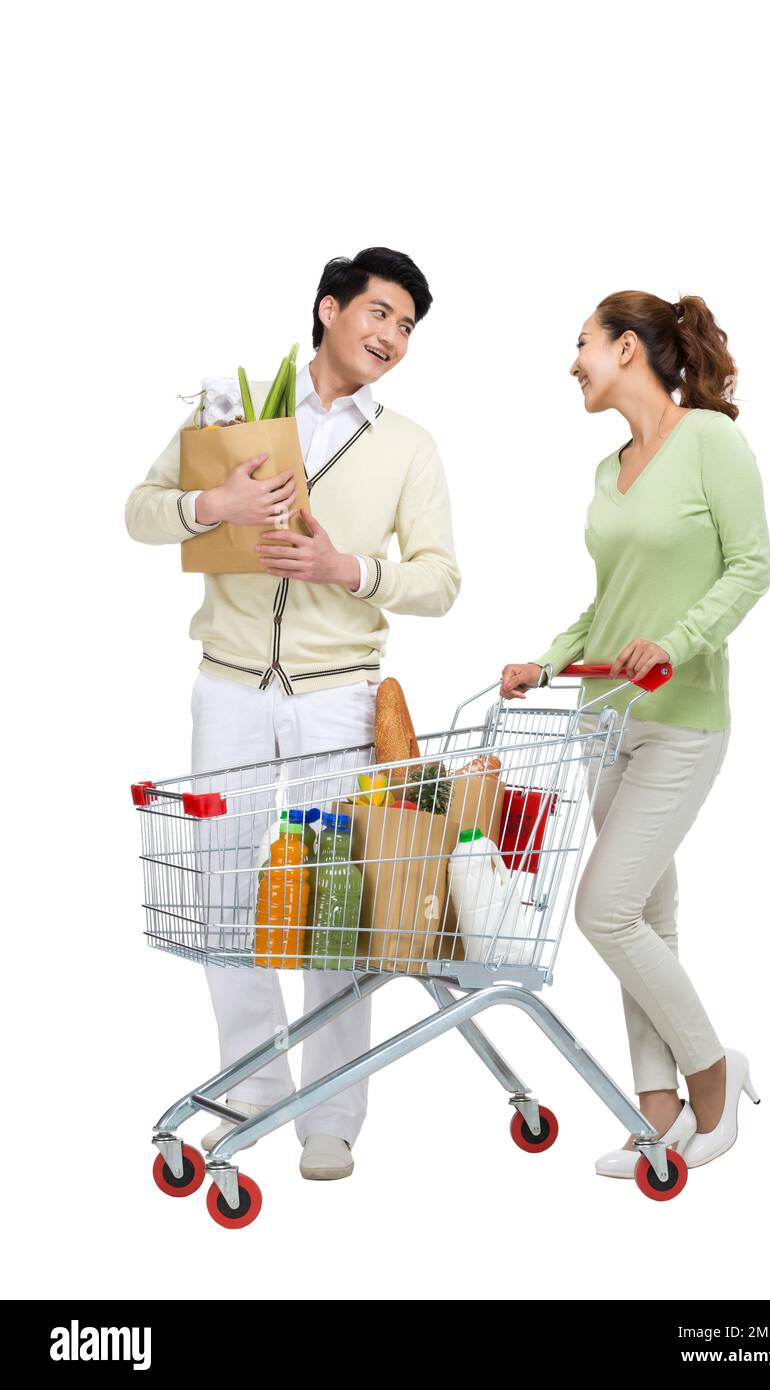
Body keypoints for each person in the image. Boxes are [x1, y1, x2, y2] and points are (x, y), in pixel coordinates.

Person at [126, 247, 460, 1180]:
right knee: (223, 891)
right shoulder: (236, 409)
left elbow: (441, 579)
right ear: (329, 310)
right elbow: (140, 511)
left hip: (337, 695)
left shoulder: (409, 446)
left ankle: (330, 1111)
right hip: (228, 683)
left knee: (334, 907)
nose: (392, 336)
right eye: (381, 313)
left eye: (406, 327)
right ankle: (256, 1082)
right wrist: (210, 502)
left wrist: (346, 569)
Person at [499, 291, 770, 1177]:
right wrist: (548, 660)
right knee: (647, 915)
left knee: (603, 910)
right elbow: (606, 603)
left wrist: (680, 643)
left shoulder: (712, 442)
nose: (572, 363)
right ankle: (655, 1116)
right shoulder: (607, 470)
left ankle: (713, 1073)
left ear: (627, 347)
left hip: (682, 720)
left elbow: (751, 566)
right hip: (601, 722)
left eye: (581, 345)